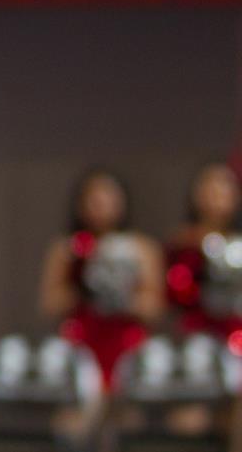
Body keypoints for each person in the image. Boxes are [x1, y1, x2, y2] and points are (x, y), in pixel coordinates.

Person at [40, 167, 164, 387]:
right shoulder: (69, 249)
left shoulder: (141, 248)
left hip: (127, 344)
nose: (100, 204)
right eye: (93, 198)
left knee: (129, 414)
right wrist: (84, 287)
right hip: (81, 343)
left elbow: (155, 307)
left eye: (107, 197)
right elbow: (49, 303)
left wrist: (121, 297)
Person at [165, 161, 241, 339]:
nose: (215, 192)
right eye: (209, 185)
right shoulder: (182, 244)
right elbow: (173, 296)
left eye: (224, 185)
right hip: (196, 335)